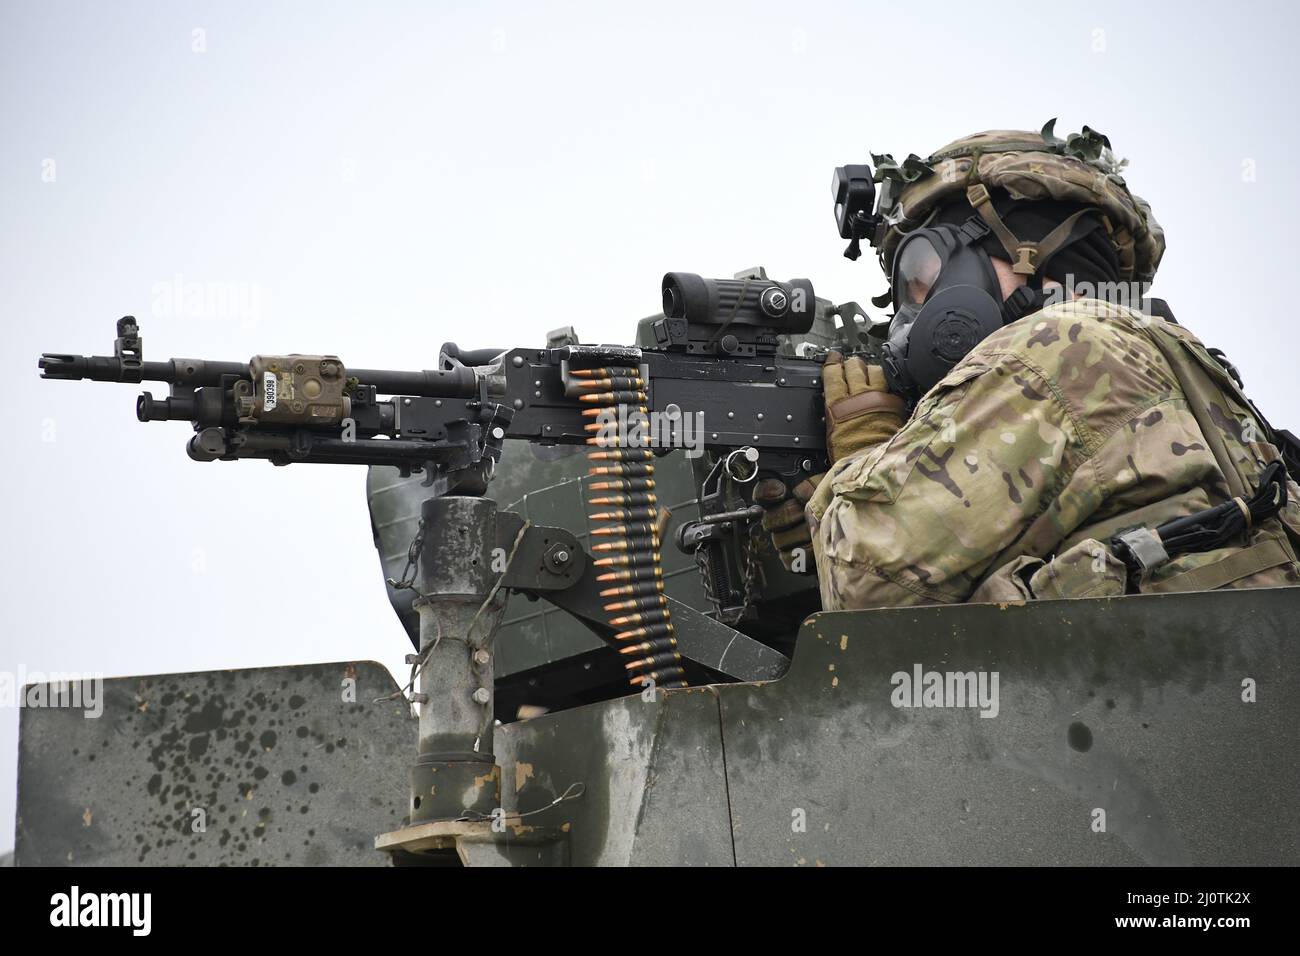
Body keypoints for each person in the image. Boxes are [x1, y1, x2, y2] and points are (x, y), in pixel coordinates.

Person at [756, 124, 1300, 610]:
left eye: (925, 268)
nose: (912, 309)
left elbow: (867, 586)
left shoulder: (1064, 345)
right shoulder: (1156, 358)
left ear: (1034, 254)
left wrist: (861, 459)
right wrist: (819, 524)